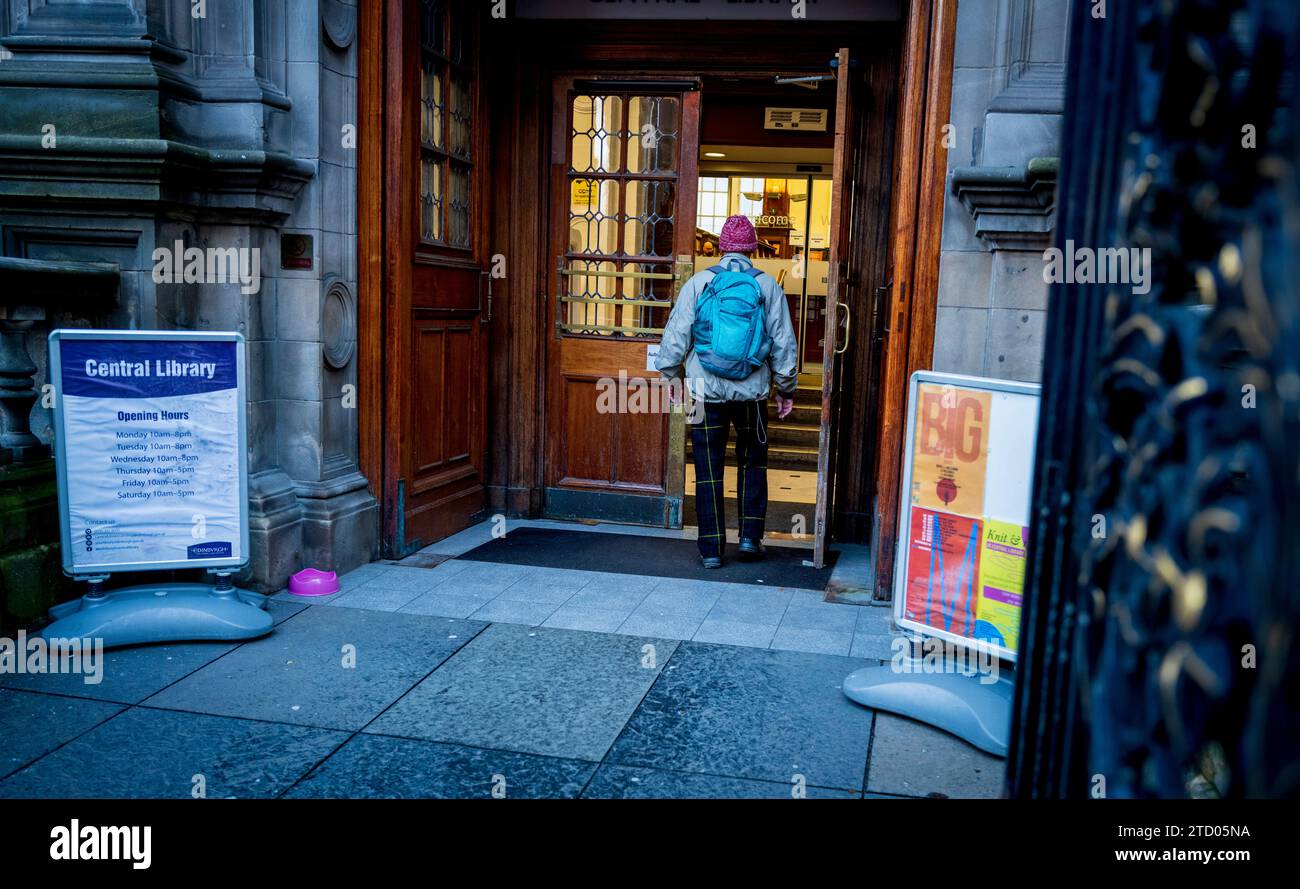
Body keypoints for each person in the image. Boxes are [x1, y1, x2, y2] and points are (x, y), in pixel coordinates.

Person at [656, 214, 798, 568]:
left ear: (721, 247)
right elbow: (783, 342)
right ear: (752, 248)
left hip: (705, 390)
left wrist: (671, 377)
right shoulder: (767, 286)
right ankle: (750, 538)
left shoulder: (699, 283)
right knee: (753, 463)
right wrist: (786, 388)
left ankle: (711, 550)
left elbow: (676, 337)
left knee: (707, 467)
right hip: (751, 393)